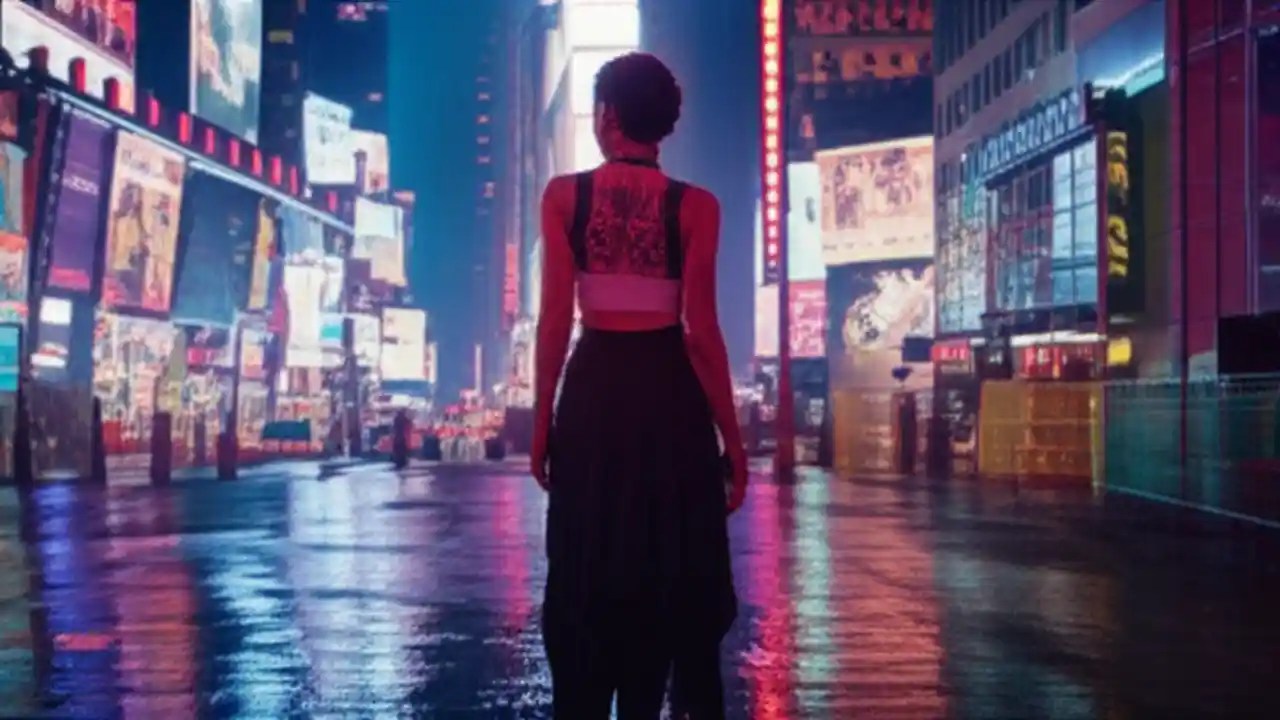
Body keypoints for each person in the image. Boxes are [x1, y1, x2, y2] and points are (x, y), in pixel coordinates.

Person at [531, 52, 746, 719]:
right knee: (670, 571)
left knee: (588, 572)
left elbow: (553, 325)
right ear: (663, 124)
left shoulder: (566, 197)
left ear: (608, 116)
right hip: (670, 399)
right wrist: (732, 443)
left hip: (593, 394)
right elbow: (702, 334)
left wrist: (541, 425)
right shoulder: (697, 208)